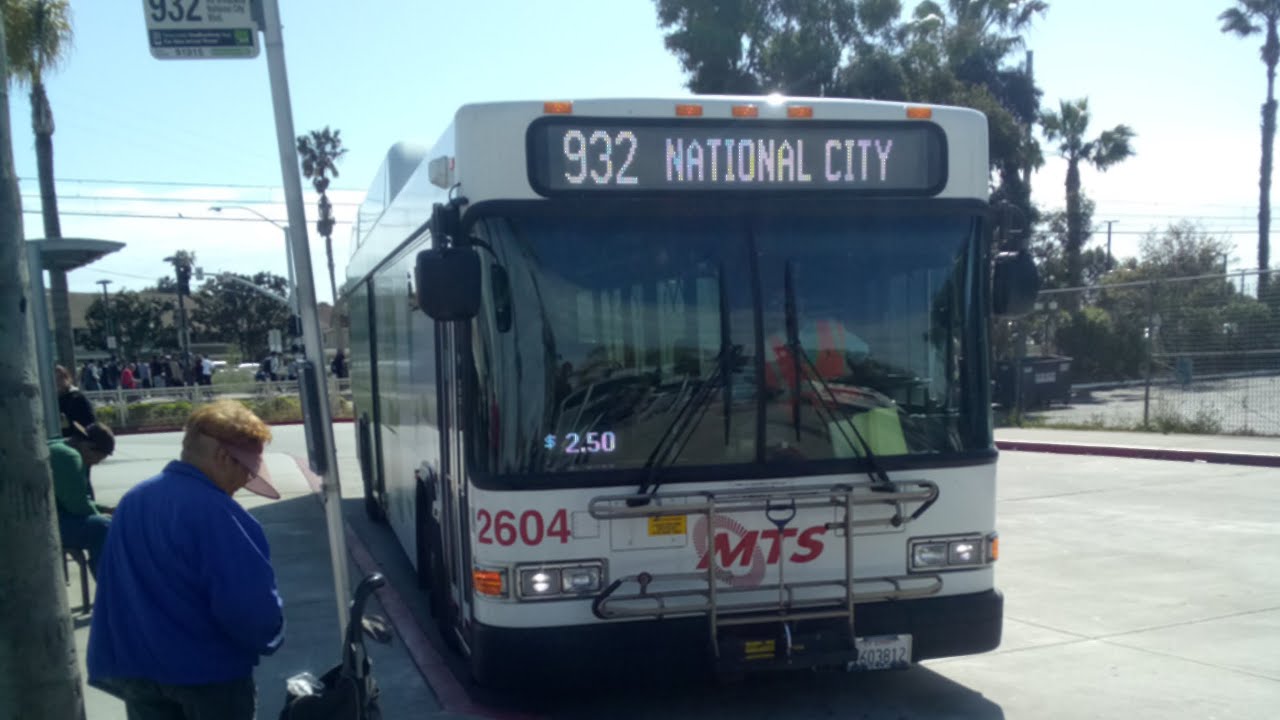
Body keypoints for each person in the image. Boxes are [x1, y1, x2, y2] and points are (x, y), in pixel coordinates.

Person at [87, 400, 284, 719]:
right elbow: (250, 609)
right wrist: (269, 633)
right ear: (223, 457)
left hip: (134, 667)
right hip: (206, 673)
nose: (246, 479)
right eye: (247, 468)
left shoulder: (134, 500)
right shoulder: (218, 513)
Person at [51, 422, 115, 578]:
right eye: (98, 458)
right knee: (103, 527)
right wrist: (104, 516)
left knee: (105, 520)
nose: (95, 463)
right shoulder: (69, 457)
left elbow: (74, 498)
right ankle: (109, 583)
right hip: (49, 524)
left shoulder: (59, 446)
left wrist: (104, 509)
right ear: (88, 447)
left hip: (51, 516)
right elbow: (78, 507)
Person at [56, 364, 97, 438]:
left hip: (80, 436)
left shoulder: (76, 397)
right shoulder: (58, 398)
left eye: (60, 378)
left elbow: (89, 422)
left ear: (67, 378)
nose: (58, 382)